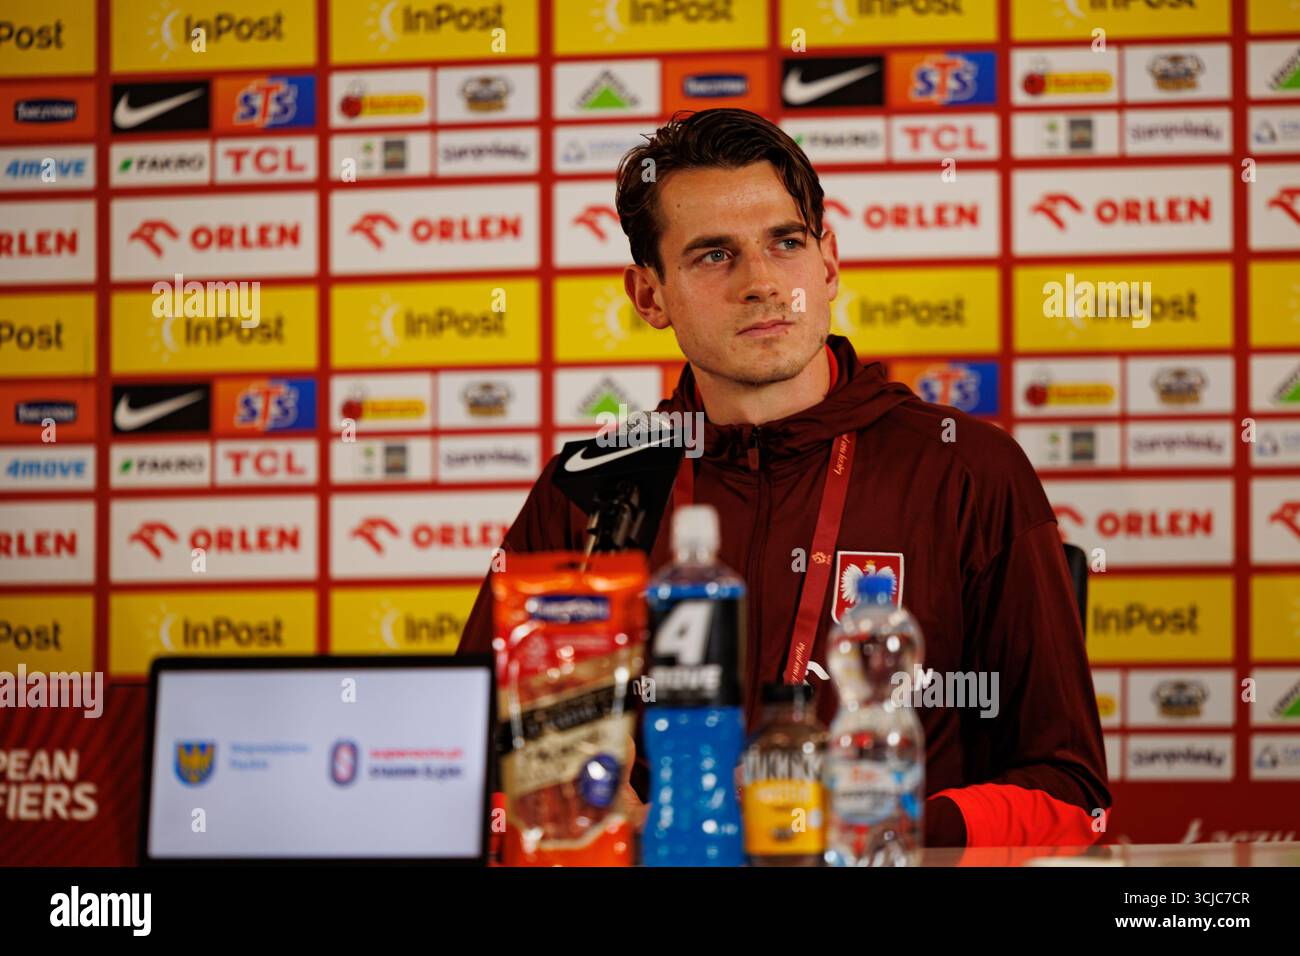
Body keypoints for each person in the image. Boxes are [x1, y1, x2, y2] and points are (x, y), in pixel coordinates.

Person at [458, 108, 1110, 848]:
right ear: (650, 297)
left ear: (827, 261)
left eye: (785, 243)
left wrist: (872, 833)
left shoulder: (967, 468)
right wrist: (586, 822)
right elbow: (473, 767)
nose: (763, 283)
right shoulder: (586, 489)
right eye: (713, 255)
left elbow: (1070, 793)